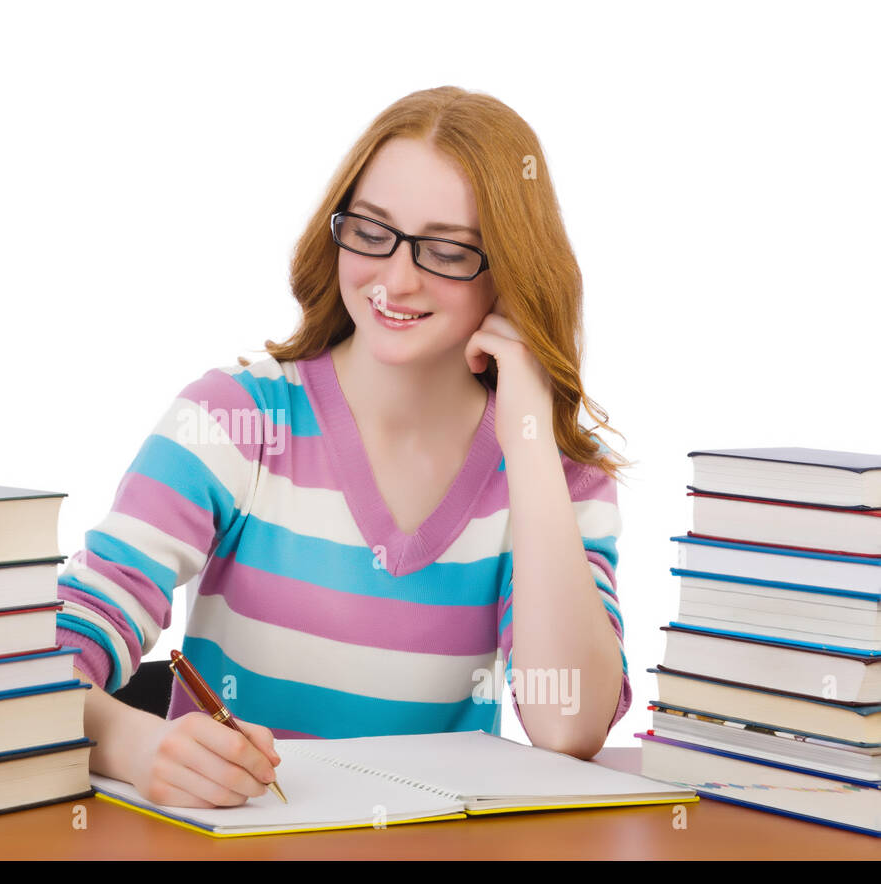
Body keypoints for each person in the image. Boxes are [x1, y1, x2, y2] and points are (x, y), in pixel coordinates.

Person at [56, 86, 635, 809]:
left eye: (448, 250)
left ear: (511, 272)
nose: (397, 279)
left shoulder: (557, 478)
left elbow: (568, 724)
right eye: (371, 232)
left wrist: (527, 425)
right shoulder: (234, 420)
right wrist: (133, 743)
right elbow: (39, 665)